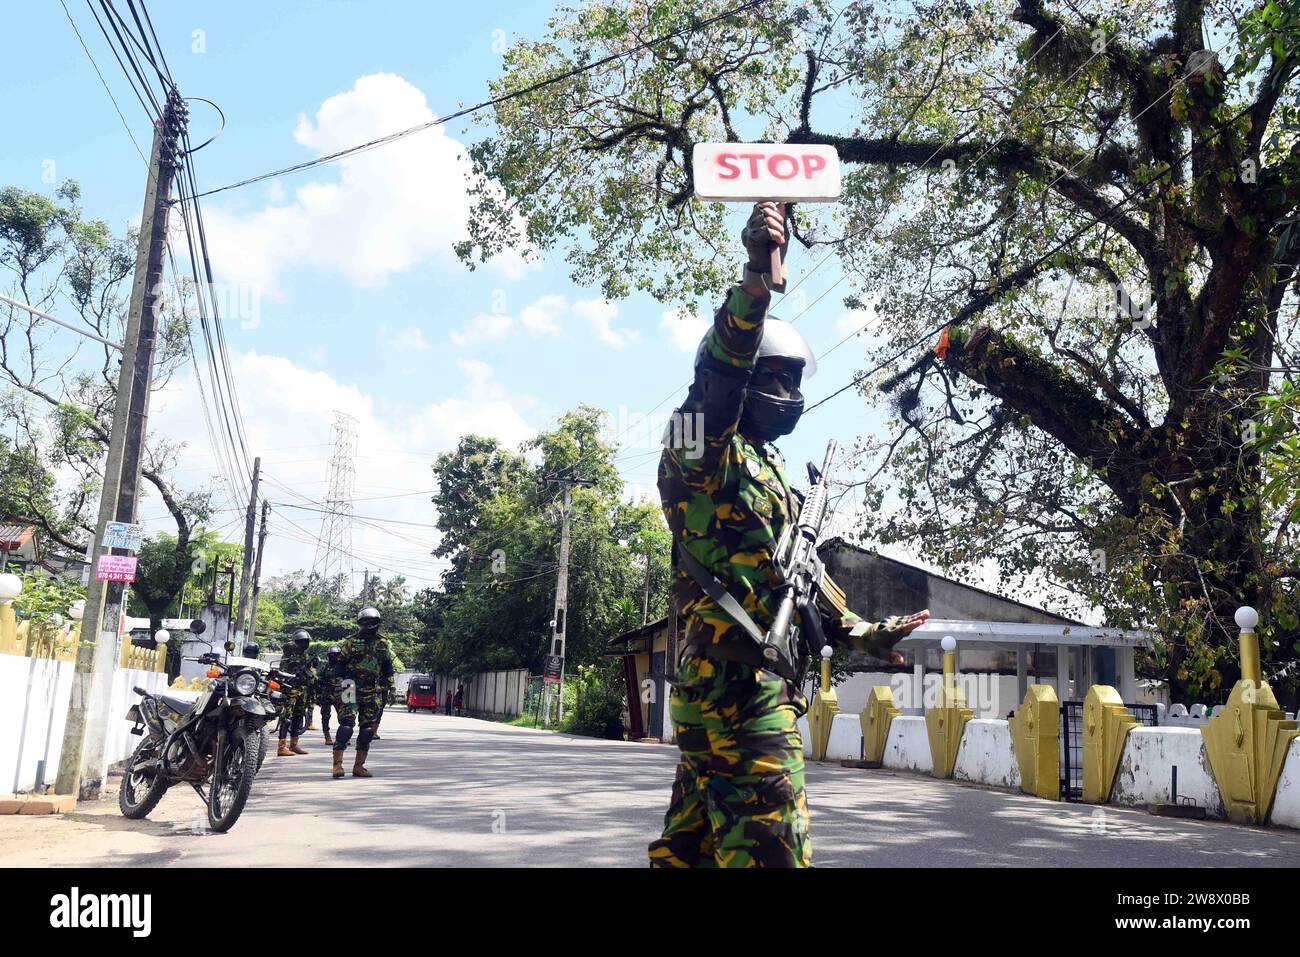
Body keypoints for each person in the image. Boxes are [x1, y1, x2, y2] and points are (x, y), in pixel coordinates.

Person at [647, 202, 930, 868]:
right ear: (743, 383)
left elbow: (796, 578)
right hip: (736, 694)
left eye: (795, 380)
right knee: (773, 852)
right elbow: (715, 379)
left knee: (689, 850)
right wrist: (753, 277)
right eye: (776, 378)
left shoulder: (771, 467)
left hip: (735, 693)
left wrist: (861, 632)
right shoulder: (696, 448)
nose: (790, 392)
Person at [331, 606, 394, 779]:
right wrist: (338, 683)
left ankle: (359, 766)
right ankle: (337, 765)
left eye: (373, 622)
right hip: (350, 686)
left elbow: (387, 666)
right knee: (346, 725)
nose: (370, 626)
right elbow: (340, 664)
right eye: (367, 622)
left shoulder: (383, 643)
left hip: (372, 689)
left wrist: (391, 685)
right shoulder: (351, 642)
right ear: (360, 623)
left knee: (367, 729)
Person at [276, 629, 313, 757]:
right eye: (301, 642)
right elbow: (282, 671)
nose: (304, 644)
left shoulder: (306, 656)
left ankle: (294, 744)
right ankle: (281, 747)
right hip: (291, 689)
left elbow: (312, 673)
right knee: (286, 718)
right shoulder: (288, 656)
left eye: (306, 642)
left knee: (298, 716)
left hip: (302, 689)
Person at [317, 646, 341, 744]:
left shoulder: (343, 667)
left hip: (340, 693)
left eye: (335, 655)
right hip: (327, 693)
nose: (333, 657)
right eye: (331, 655)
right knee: (325, 716)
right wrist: (318, 696)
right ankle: (327, 736)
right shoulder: (325, 667)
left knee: (344, 716)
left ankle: (343, 737)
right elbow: (319, 681)